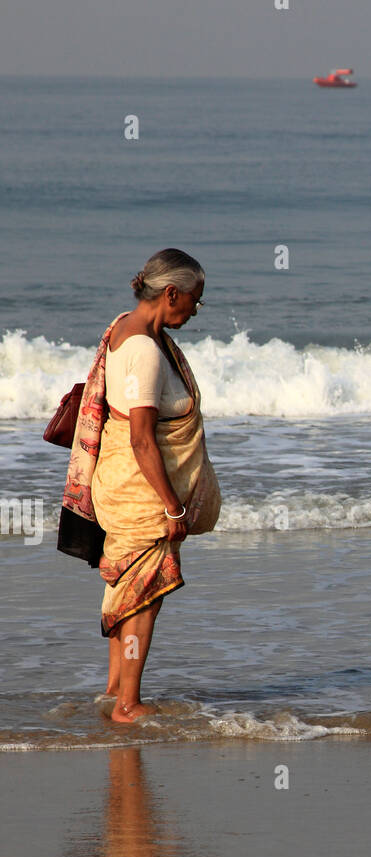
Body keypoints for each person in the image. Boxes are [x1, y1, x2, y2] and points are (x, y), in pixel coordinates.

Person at [81, 248, 221, 722]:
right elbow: (142, 438)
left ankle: (114, 690)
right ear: (171, 293)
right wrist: (172, 506)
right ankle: (128, 704)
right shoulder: (143, 348)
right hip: (139, 492)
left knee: (126, 585)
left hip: (118, 483)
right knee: (146, 593)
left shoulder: (128, 325)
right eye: (195, 301)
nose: (195, 311)